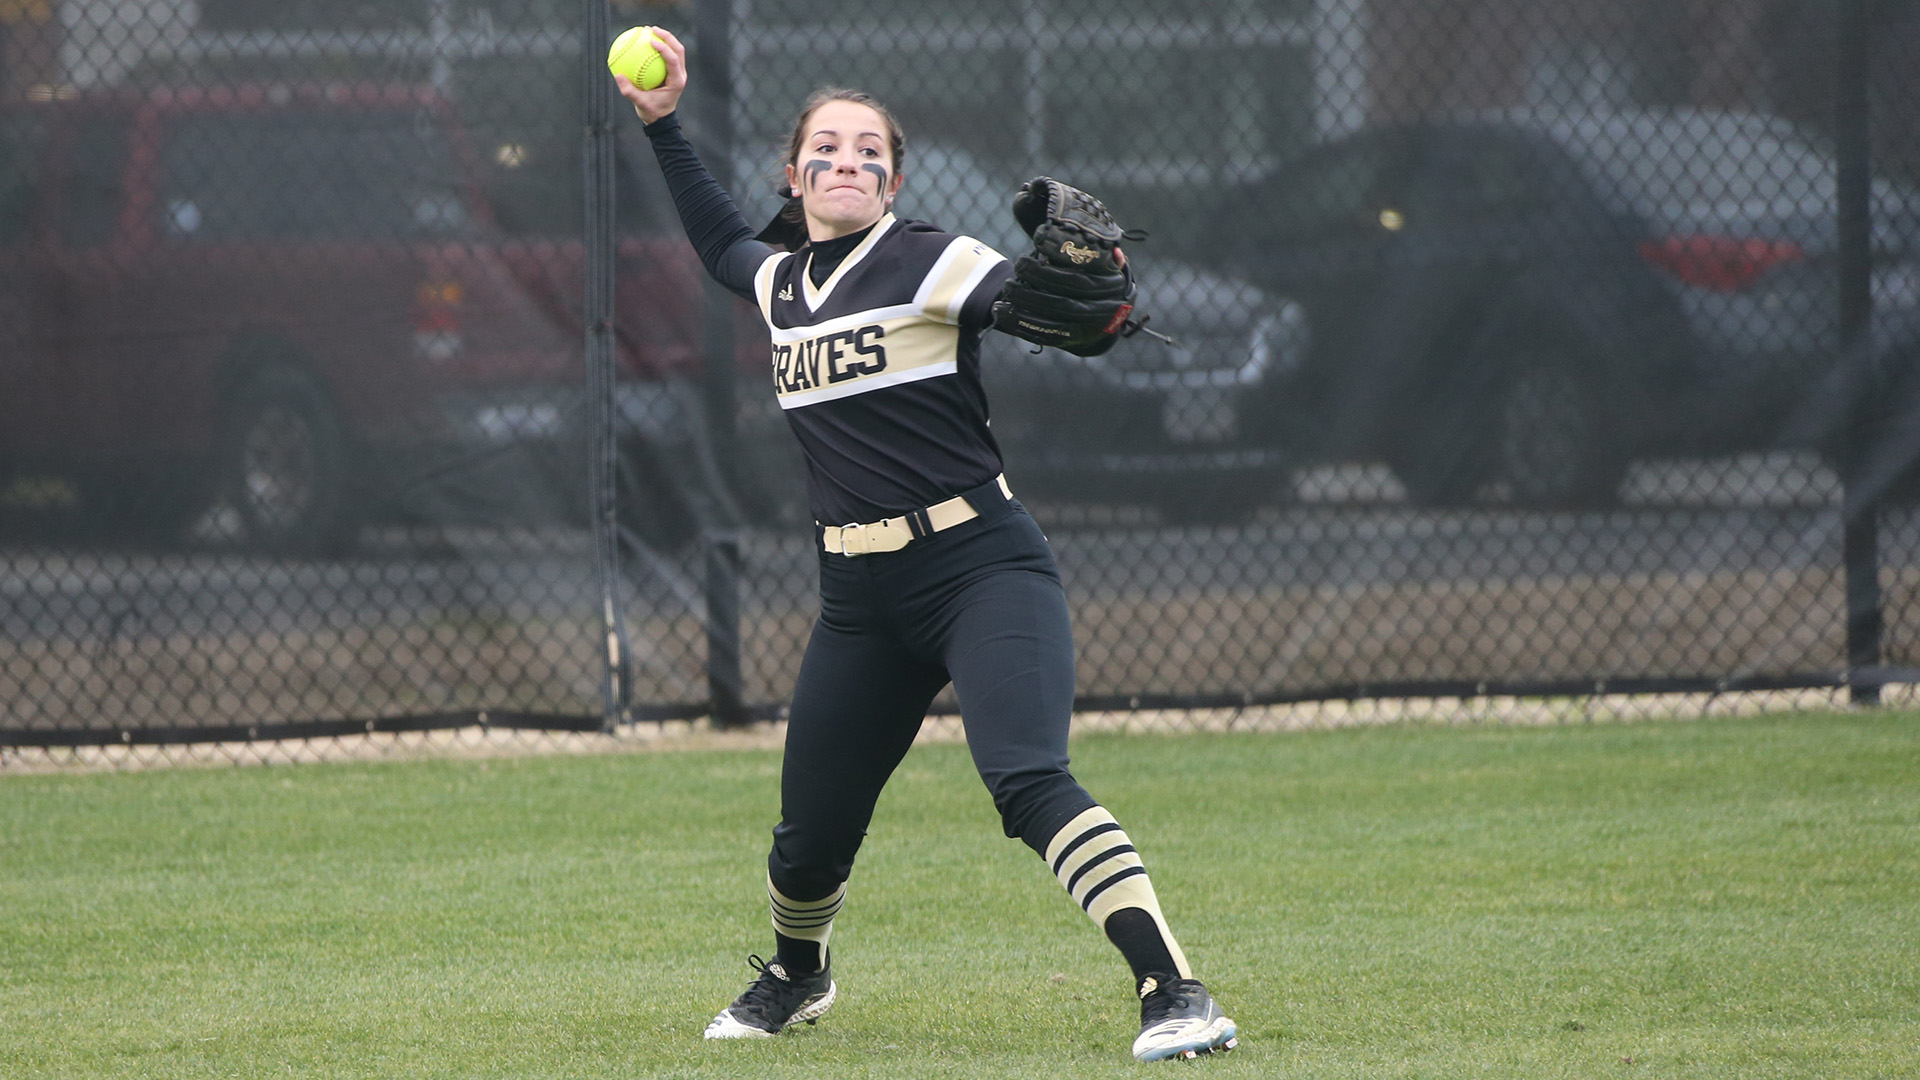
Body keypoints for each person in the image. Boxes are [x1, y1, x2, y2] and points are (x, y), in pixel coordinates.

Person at [614, 28, 1237, 1063]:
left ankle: (1174, 989)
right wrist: (664, 122)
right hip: (859, 602)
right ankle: (799, 975)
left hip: (980, 567)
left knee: (1028, 780)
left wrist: (1085, 308)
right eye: (828, 145)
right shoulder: (778, 286)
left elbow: (1025, 305)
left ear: (894, 179)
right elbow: (720, 239)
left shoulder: (930, 258)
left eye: (870, 150)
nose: (847, 159)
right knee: (808, 837)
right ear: (796, 170)